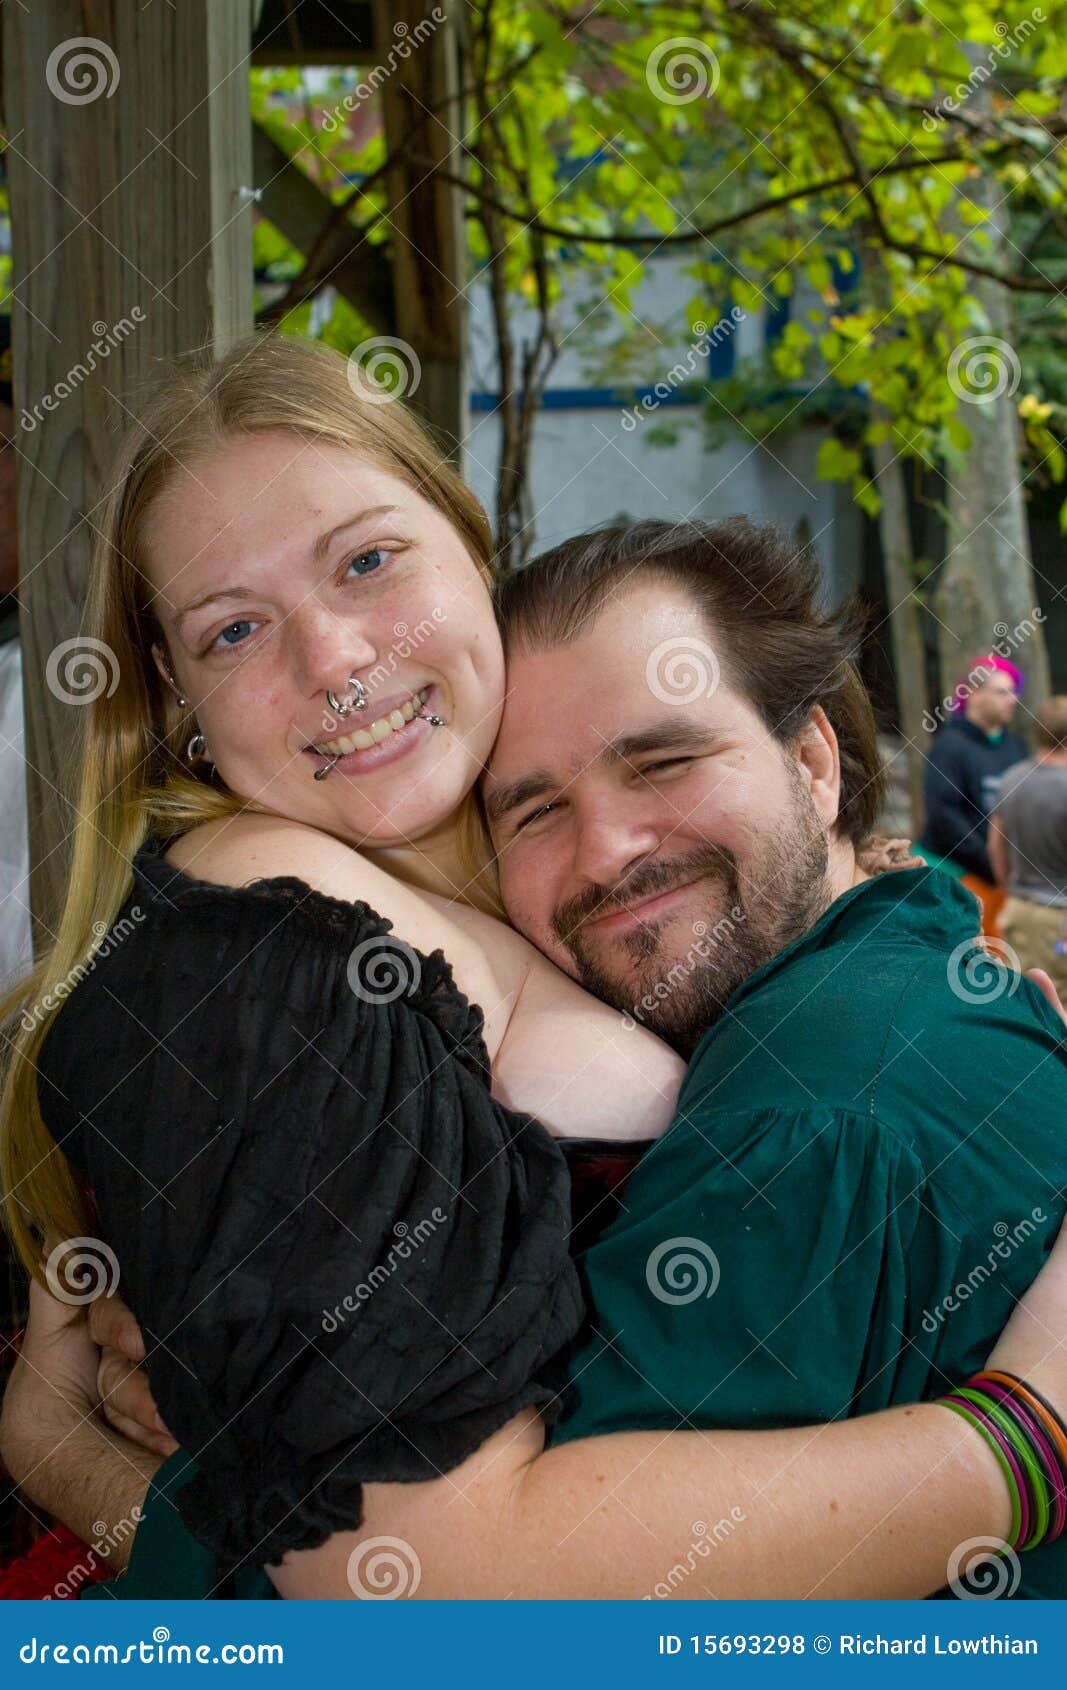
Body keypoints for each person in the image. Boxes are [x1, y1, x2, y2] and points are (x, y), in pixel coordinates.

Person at [2, 336, 1067, 1604]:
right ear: (175, 691)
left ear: (470, 547)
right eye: (233, 630)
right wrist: (1023, 1440)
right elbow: (433, 1596)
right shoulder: (262, 946)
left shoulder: (471, 878)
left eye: (367, 560)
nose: (334, 660)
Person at [916, 654, 1027, 934]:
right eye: (1002, 692)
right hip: (957, 871)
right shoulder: (948, 747)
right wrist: (992, 863)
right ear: (974, 695)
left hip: (1006, 874)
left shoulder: (1015, 746)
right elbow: (945, 817)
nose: (1012, 699)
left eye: (1013, 692)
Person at [989, 695, 1067, 995]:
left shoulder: (1011, 779)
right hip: (1059, 919)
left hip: (1018, 913)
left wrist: (1009, 889)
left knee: (1024, 1004)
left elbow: (996, 846)